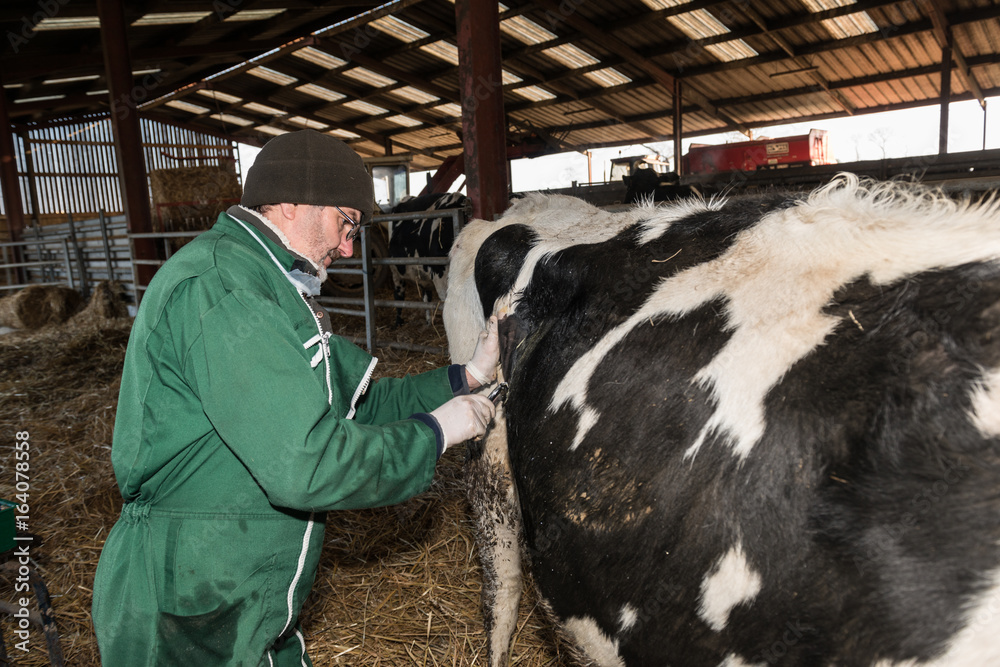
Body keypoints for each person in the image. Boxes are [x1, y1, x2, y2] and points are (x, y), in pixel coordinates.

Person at [92, 129, 499, 665]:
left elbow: (356, 406)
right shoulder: (226, 289)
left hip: (243, 595)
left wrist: (466, 376)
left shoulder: (265, 282)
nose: (348, 247)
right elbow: (306, 463)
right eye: (345, 222)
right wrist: (435, 433)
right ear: (291, 203)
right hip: (187, 603)